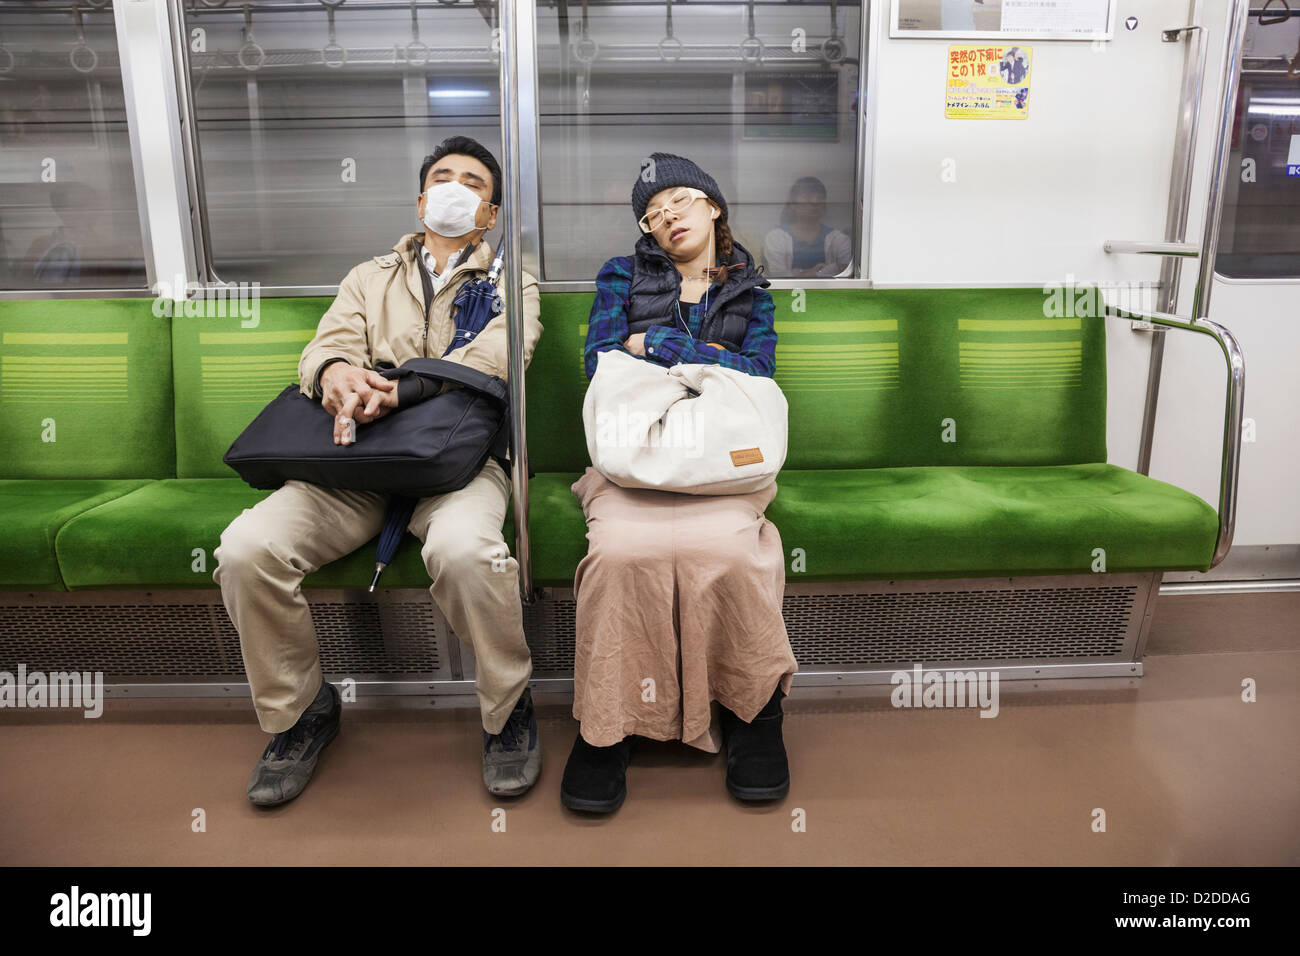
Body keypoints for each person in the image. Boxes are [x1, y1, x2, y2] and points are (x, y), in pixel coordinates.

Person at [214, 136, 544, 807]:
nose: (456, 188)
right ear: (422, 200)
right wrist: (338, 377)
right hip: (355, 462)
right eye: (443, 178)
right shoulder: (368, 277)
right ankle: (301, 712)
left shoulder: (515, 280)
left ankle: (506, 707)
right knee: (246, 551)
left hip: (460, 463)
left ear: (490, 213)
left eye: (474, 182)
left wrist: (404, 388)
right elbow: (329, 344)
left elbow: (500, 358)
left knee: (467, 552)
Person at [561, 152, 798, 813]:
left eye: (680, 202)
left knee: (728, 553)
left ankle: (754, 711)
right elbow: (599, 359)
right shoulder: (620, 276)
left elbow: (759, 369)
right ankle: (608, 724)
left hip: (724, 461)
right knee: (619, 555)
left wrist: (663, 347)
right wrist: (704, 362)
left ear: (714, 207)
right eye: (652, 213)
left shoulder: (750, 290)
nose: (666, 216)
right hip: (636, 455)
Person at [761, 176, 852, 279]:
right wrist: (821, 272)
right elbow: (777, 276)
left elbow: (846, 271)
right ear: (792, 204)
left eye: (820, 197)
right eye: (807, 196)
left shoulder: (839, 239)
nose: (814, 202)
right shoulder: (775, 237)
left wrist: (800, 274)